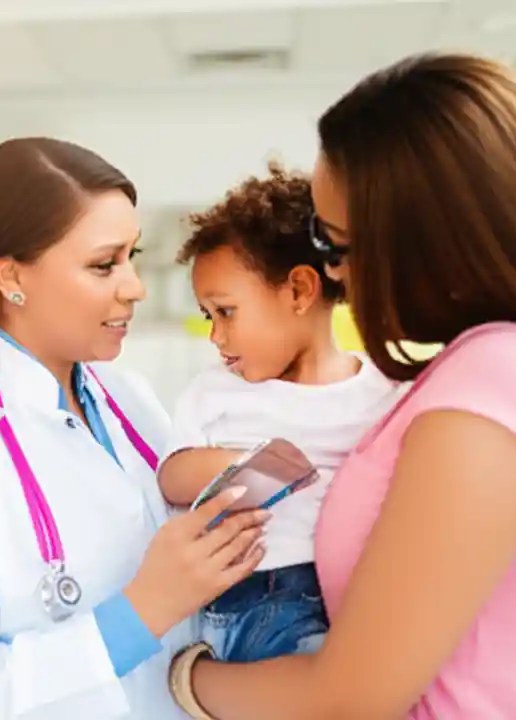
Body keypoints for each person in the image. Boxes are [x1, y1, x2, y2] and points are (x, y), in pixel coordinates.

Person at [167, 53, 516, 719]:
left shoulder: (504, 383)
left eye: (337, 246)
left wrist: (186, 679)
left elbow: (346, 696)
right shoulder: (505, 368)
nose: (338, 276)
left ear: (420, 241)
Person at [0, 137, 269, 719]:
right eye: (104, 264)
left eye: (133, 256)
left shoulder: (130, 399)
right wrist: (143, 610)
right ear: (10, 275)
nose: (135, 286)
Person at [158, 164, 403, 664]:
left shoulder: (383, 390)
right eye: (209, 316)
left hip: (363, 588)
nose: (216, 337)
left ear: (298, 291)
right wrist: (255, 463)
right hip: (261, 594)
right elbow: (172, 476)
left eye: (225, 312)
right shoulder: (216, 394)